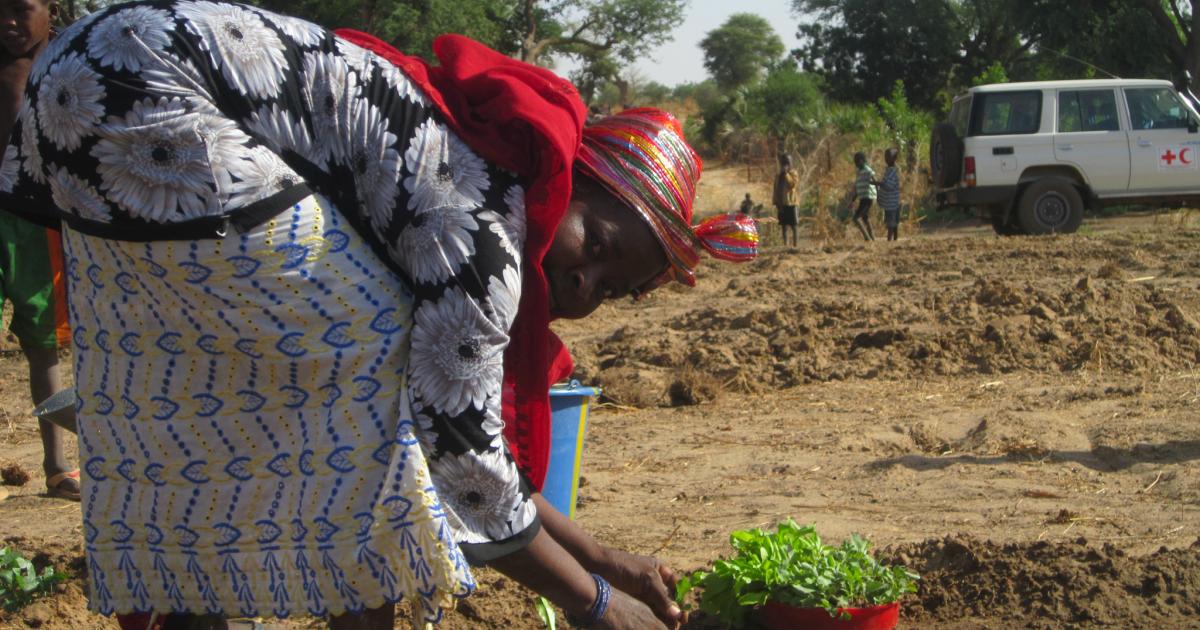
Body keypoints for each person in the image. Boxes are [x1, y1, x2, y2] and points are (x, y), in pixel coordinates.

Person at [0, 2, 758, 629]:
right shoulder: (483, 228)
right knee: (383, 377)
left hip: (64, 88)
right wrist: (597, 603)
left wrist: (600, 557)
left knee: (205, 382)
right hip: (154, 96)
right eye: (595, 242)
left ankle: (191, 600)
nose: (583, 281)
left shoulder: (467, 172)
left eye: (611, 288)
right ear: (570, 179)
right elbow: (462, 460)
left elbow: (469, 449)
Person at [0, 0, 78, 501]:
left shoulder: (70, 61)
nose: (7, 21)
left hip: (35, 216)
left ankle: (56, 466)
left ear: (50, 9)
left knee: (43, 338)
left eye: (19, 8)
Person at [772, 154, 799, 247]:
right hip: (781, 204)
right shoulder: (778, 176)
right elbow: (775, 189)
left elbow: (792, 185)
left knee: (794, 225)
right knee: (784, 226)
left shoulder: (793, 174)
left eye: (787, 163)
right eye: (783, 163)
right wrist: (775, 201)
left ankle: (795, 245)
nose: (785, 165)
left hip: (791, 203)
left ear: (791, 163)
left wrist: (786, 174)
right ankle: (785, 246)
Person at [849, 151, 876, 241]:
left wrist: (879, 193)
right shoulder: (859, 172)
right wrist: (853, 200)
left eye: (857, 161)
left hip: (868, 197)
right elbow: (858, 187)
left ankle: (867, 238)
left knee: (856, 218)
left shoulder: (868, 170)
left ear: (862, 161)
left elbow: (874, 180)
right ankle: (872, 238)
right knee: (865, 217)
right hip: (863, 197)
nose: (855, 163)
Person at [877, 148, 901, 241]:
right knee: (894, 222)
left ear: (894, 158)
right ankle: (894, 239)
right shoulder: (890, 170)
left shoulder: (892, 171)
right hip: (891, 201)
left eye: (888, 156)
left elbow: (888, 186)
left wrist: (876, 183)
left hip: (891, 202)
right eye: (885, 156)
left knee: (891, 223)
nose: (886, 158)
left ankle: (889, 240)